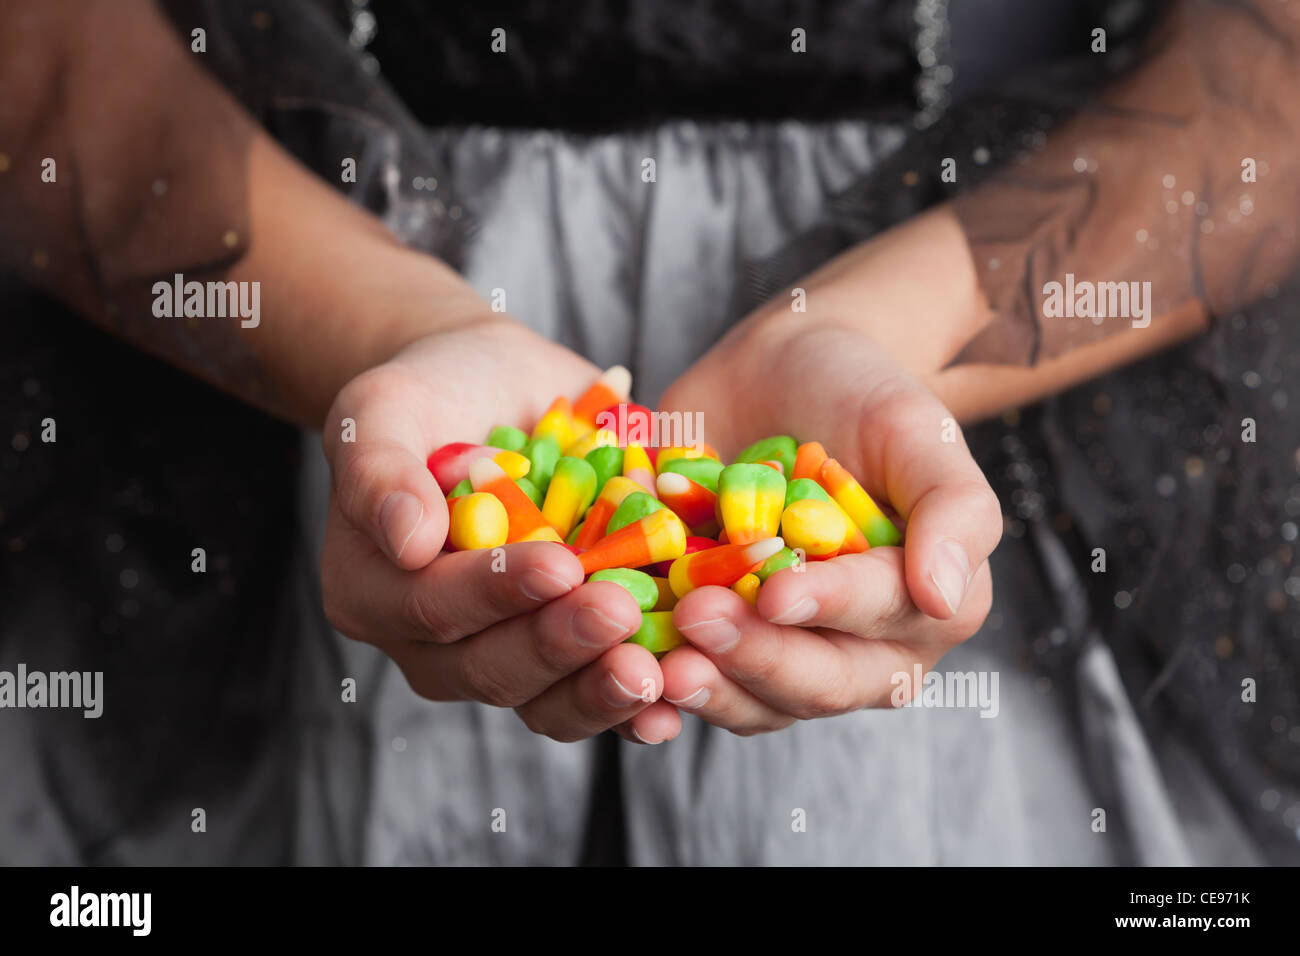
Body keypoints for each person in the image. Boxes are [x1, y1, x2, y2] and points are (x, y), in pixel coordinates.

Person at [2, 0, 1295, 864]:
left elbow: (1271, 73)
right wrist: (386, 336)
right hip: (301, 304)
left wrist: (887, 333)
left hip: (991, 330)